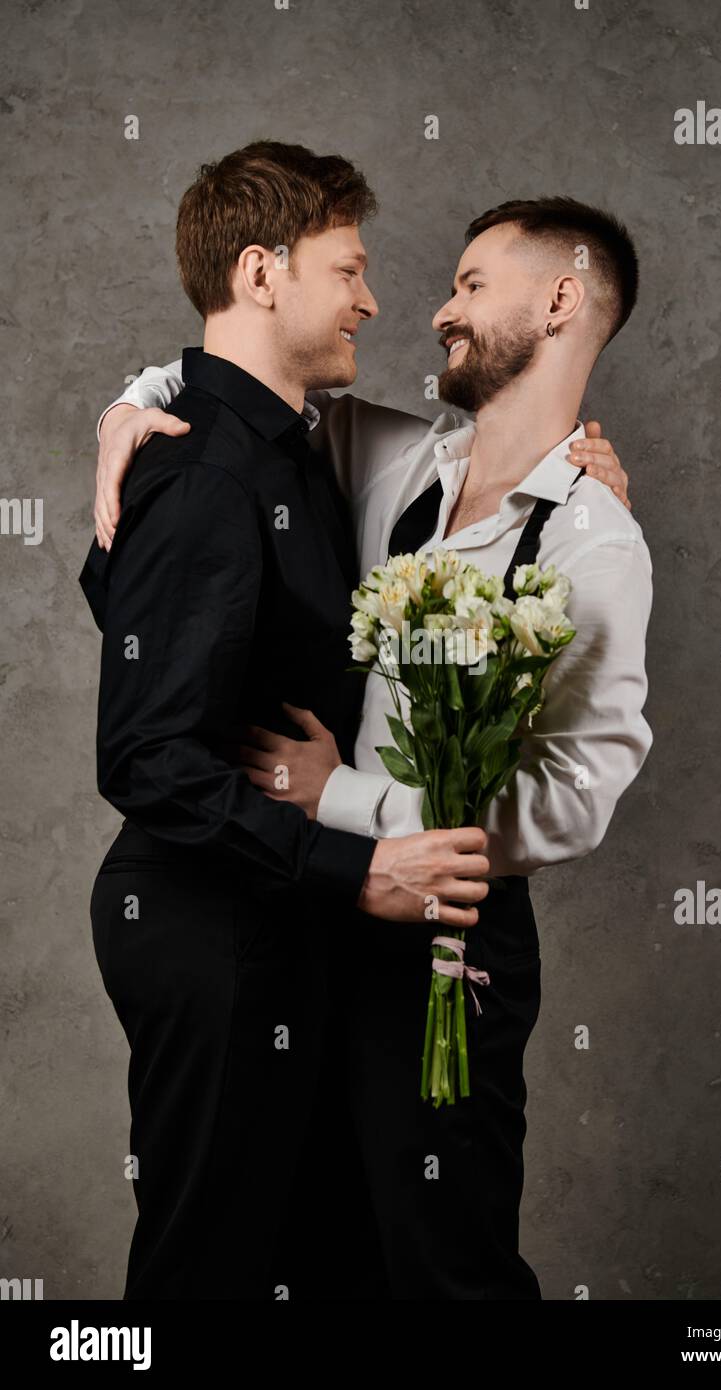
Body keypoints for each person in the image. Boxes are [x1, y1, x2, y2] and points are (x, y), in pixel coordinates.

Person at [92, 187, 651, 1299]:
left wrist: (345, 798)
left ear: (557, 299)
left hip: (451, 945)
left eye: (469, 286)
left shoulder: (596, 538)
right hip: (321, 914)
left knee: (444, 1255)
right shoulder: (394, 455)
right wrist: (127, 412)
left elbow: (573, 796)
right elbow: (238, 382)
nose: (434, 311)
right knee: (320, 1251)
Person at [79, 141, 494, 1302]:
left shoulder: (293, 442)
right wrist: (348, 867)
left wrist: (581, 464)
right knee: (203, 1276)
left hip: (278, 921)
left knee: (305, 1268)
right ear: (262, 273)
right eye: (347, 269)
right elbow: (145, 752)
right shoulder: (205, 469)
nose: (372, 298)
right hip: (214, 926)